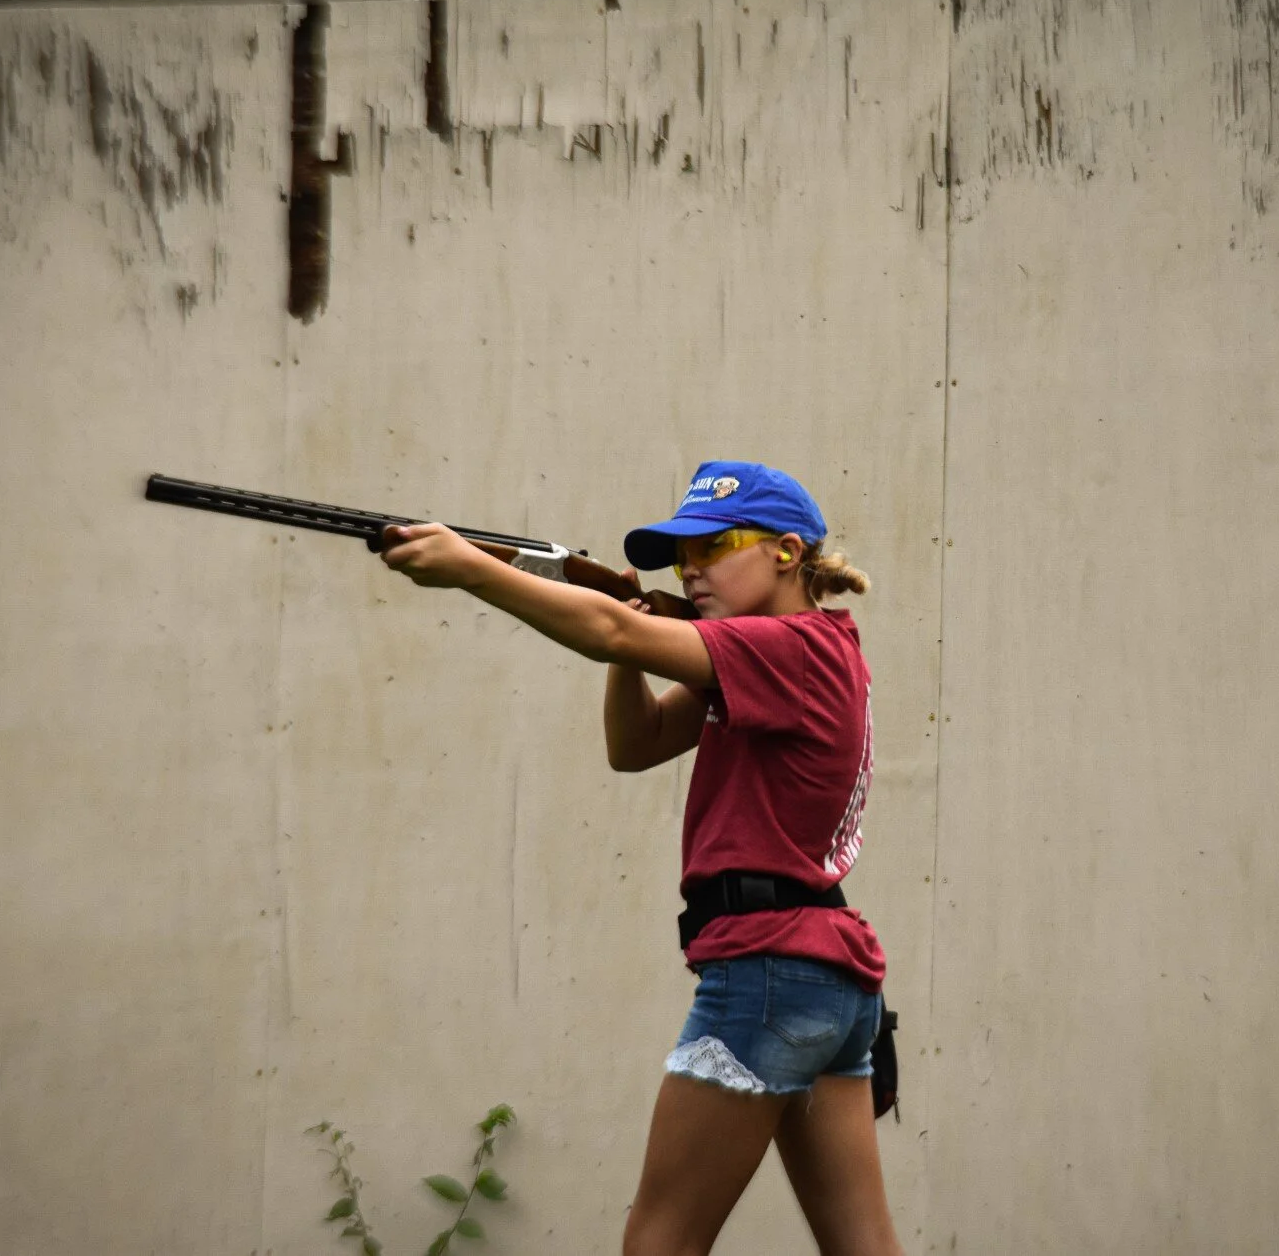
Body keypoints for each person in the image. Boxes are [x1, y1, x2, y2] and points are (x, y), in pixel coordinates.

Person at [380, 460, 901, 1256]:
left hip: (763, 970)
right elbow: (636, 744)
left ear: (789, 553)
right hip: (824, 980)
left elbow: (611, 630)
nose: (691, 569)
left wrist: (471, 570)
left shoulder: (786, 648)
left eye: (714, 545)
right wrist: (635, 644)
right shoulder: (807, 650)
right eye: (679, 555)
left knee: (659, 1245)